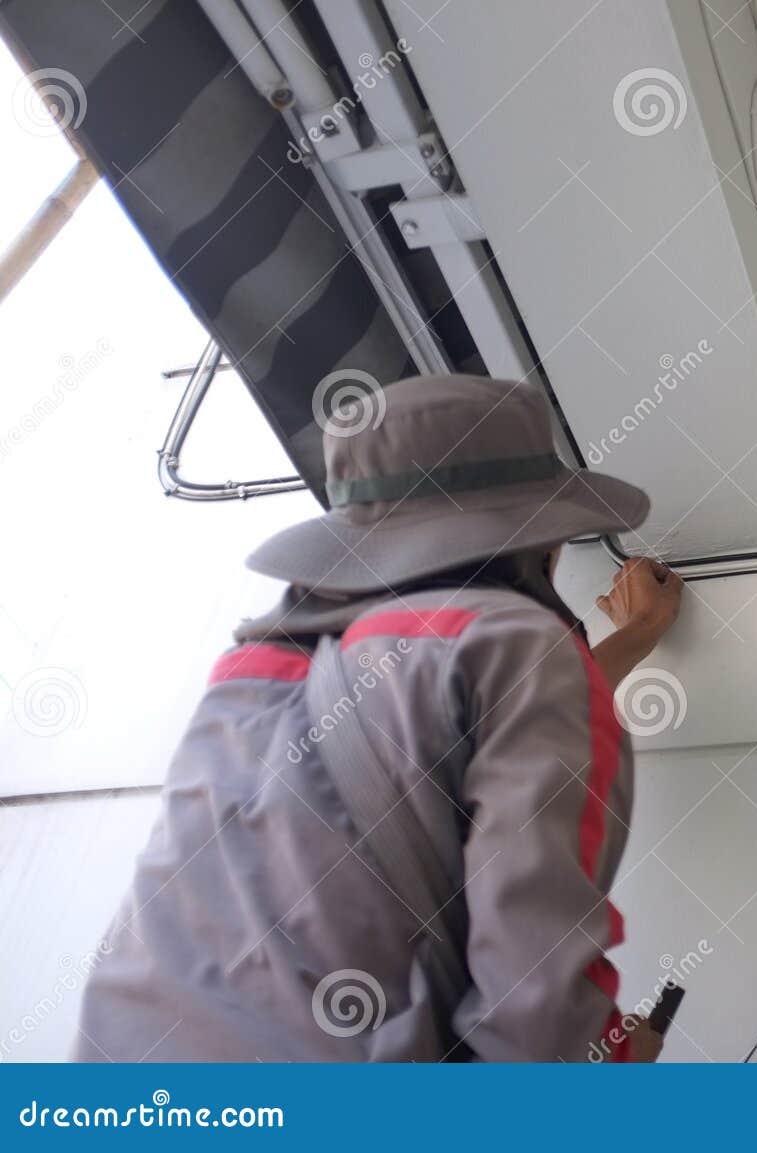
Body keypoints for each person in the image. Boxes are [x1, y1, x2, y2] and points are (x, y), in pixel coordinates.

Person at [74, 373, 683, 1061]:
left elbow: (431, 752)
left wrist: (626, 643)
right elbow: (538, 1023)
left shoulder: (249, 670)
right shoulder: (522, 651)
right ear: (542, 536)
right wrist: (614, 1054)